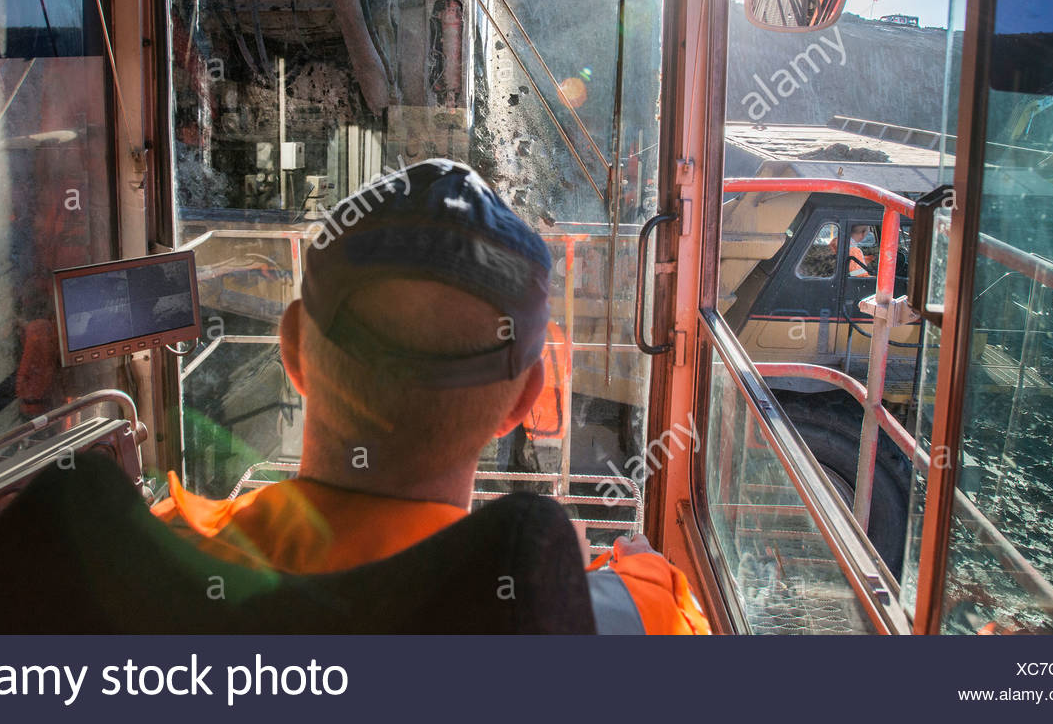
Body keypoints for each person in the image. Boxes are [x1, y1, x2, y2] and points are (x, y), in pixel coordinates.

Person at [152, 158, 708, 634]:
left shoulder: (149, 556)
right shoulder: (645, 619)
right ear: (523, 403)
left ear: (293, 350)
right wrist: (632, 576)